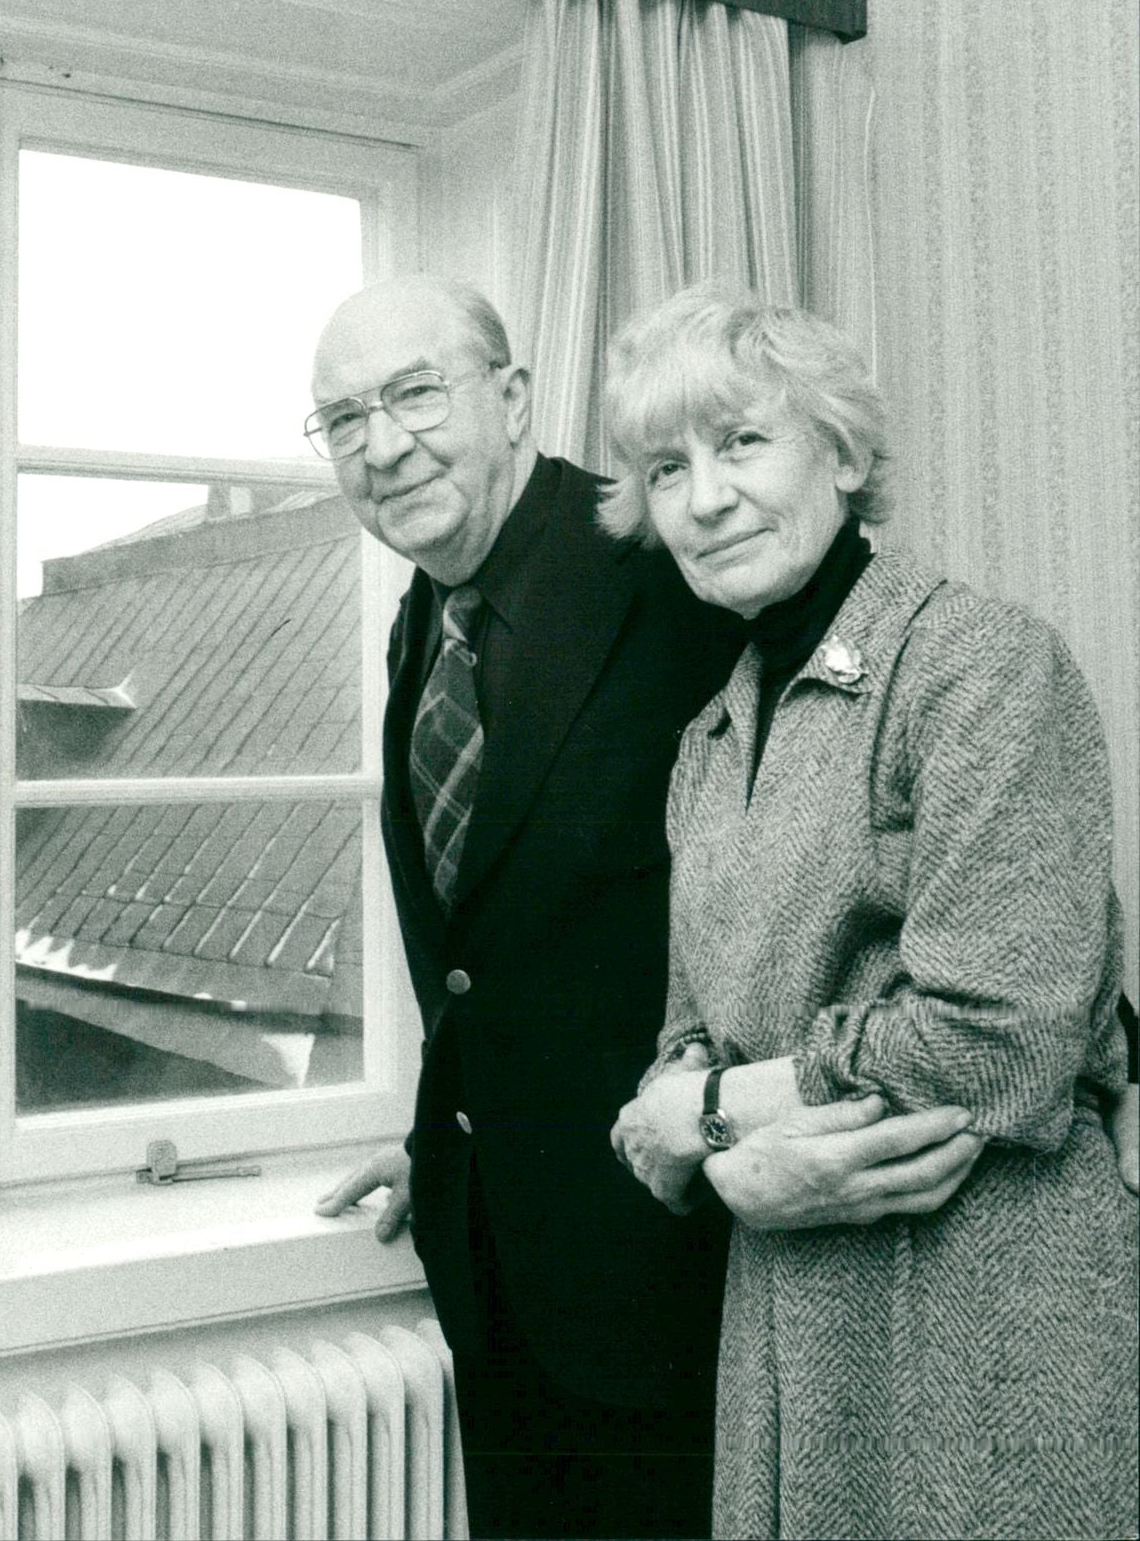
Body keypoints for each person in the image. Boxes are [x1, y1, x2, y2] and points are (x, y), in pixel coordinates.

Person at [306, 275, 1140, 1539]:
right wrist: (466, 1119)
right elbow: (575, 946)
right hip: (617, 1253)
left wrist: (1110, 1052)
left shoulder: (710, 582)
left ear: (510, 397)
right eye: (341, 418)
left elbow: (1001, 945)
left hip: (830, 1255)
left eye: (415, 392)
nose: (700, 498)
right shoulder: (494, 638)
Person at [605, 285, 1139, 1539]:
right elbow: (694, 1031)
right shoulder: (709, 734)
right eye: (663, 467)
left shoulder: (978, 665)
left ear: (840, 454)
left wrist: (714, 1116)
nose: (703, 496)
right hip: (784, 1300)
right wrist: (705, 1115)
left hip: (978, 1295)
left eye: (741, 442)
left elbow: (998, 1041)